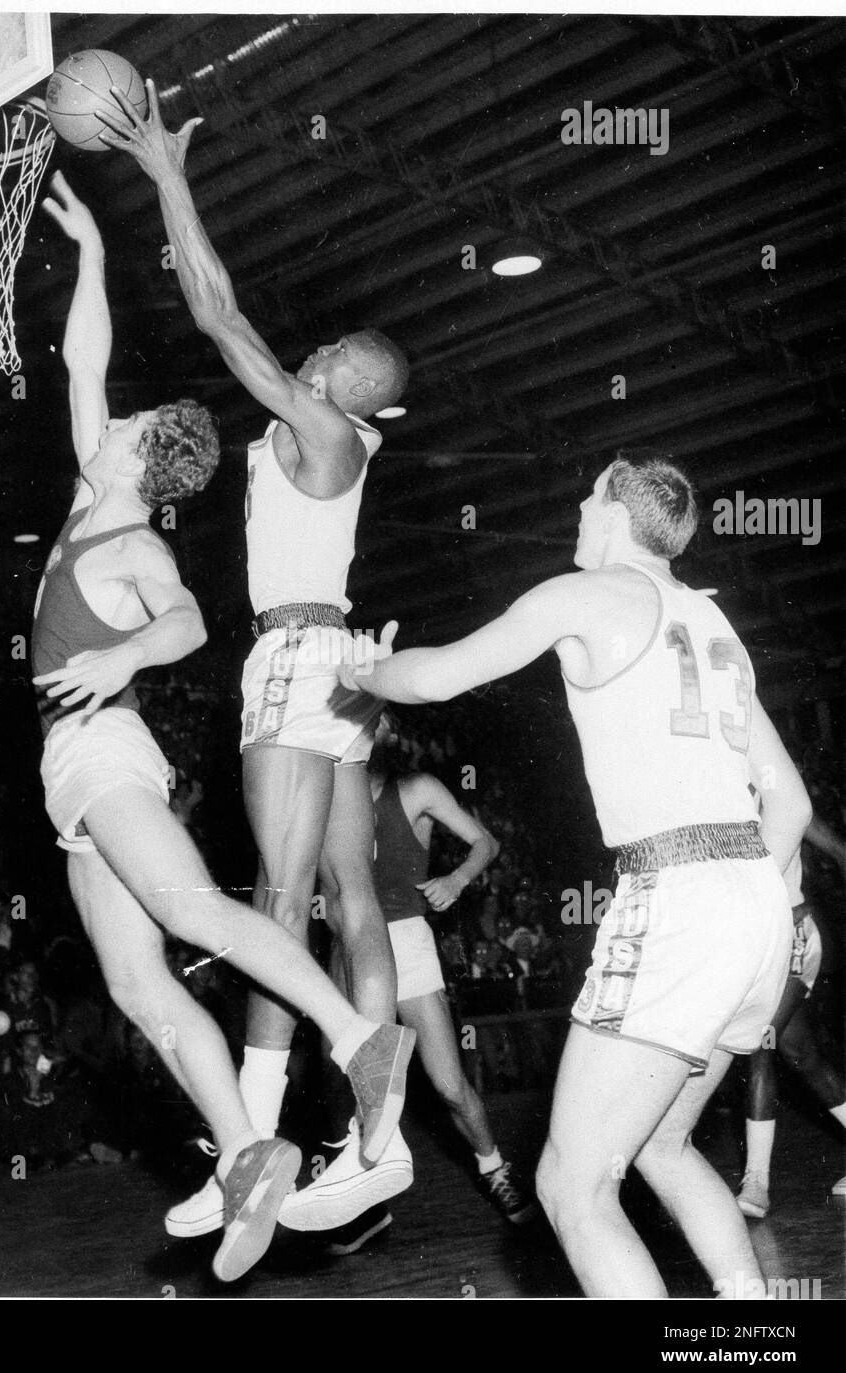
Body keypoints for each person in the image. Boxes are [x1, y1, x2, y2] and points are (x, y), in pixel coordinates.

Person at [30, 171, 413, 1283]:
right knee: (139, 984)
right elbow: (84, 362)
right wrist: (96, 254)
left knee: (208, 903)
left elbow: (192, 621)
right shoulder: (84, 496)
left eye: (129, 425)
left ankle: (353, 1042)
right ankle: (249, 1150)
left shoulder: (137, 544)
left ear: (141, 466)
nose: (110, 421)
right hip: (74, 767)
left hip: (113, 750)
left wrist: (126, 653)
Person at [339, 451, 811, 1298]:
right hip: (752, 900)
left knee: (571, 1185)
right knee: (663, 1149)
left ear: (620, 515)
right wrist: (744, 912)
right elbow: (792, 809)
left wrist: (362, 671)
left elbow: (438, 675)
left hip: (675, 894)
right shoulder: (714, 627)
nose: (578, 512)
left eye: (590, 499)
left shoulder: (582, 594)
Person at [285, 712, 536, 1249]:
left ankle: (494, 1168)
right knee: (342, 1083)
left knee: (446, 1084)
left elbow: (484, 842)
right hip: (348, 946)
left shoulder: (416, 787)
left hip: (405, 940)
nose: (365, 733)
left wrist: (457, 878)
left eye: (373, 724)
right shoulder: (328, 795)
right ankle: (367, 1207)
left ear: (386, 734)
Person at [737, 816, 846, 1216]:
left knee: (758, 1041)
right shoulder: (708, 796)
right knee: (801, 1053)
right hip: (754, 942)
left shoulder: (776, 791)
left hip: (794, 931)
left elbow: (836, 847)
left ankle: (757, 1182)